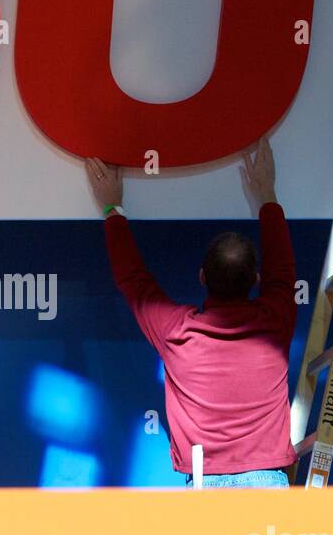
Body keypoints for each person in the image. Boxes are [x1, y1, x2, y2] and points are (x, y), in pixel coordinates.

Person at [84, 136, 297, 488]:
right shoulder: (275, 320)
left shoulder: (177, 332)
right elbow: (283, 269)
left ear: (201, 277)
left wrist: (112, 208)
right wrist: (267, 196)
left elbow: (132, 278)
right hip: (267, 486)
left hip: (204, 486)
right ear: (256, 279)